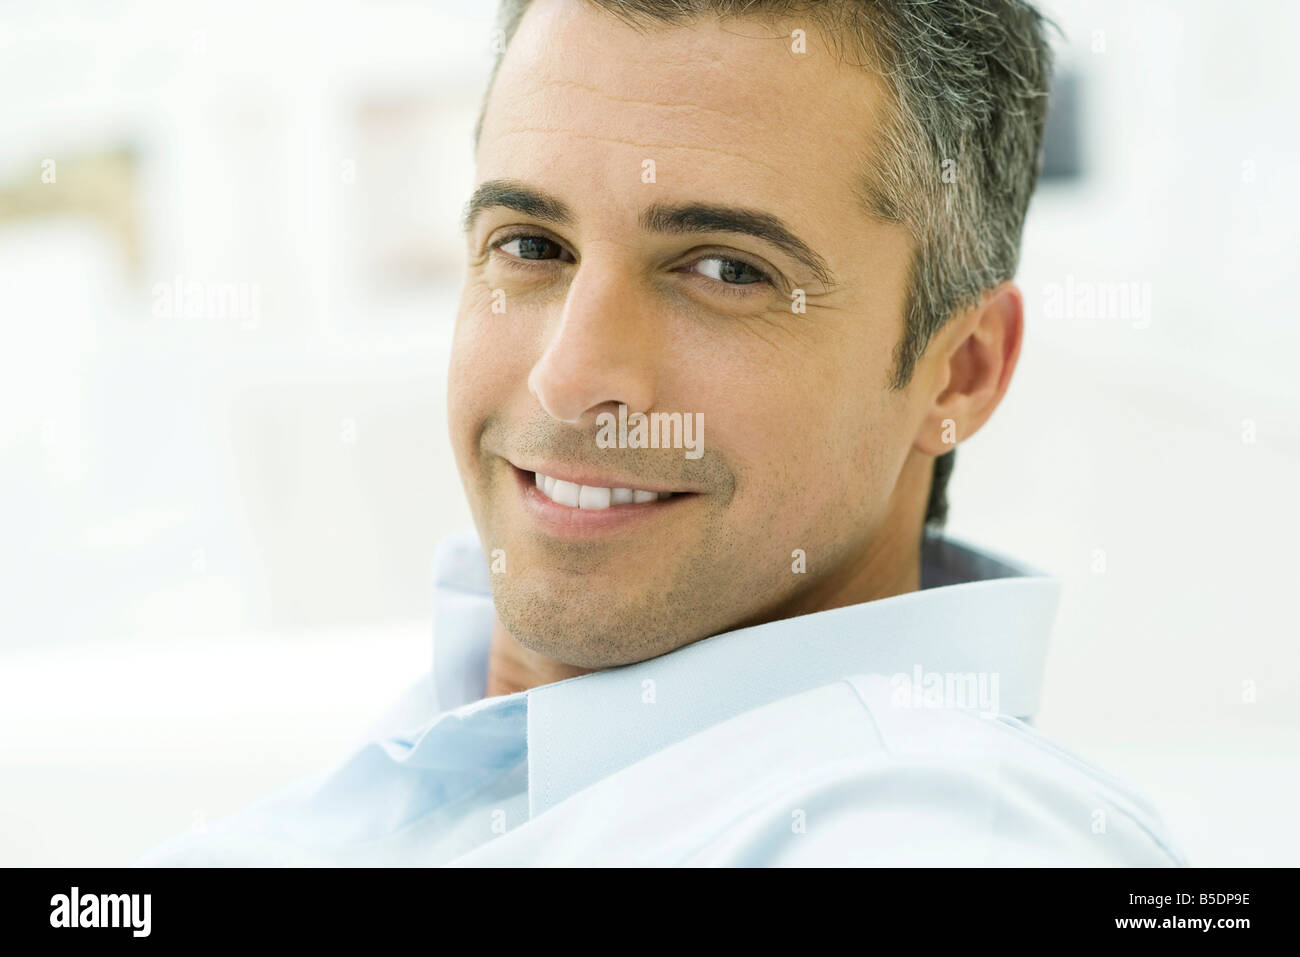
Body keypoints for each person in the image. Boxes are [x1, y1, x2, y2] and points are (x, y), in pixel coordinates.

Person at [138, 0, 1185, 866]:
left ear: (960, 369)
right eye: (531, 244)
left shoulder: (937, 831)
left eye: (728, 269)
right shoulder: (465, 742)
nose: (570, 374)